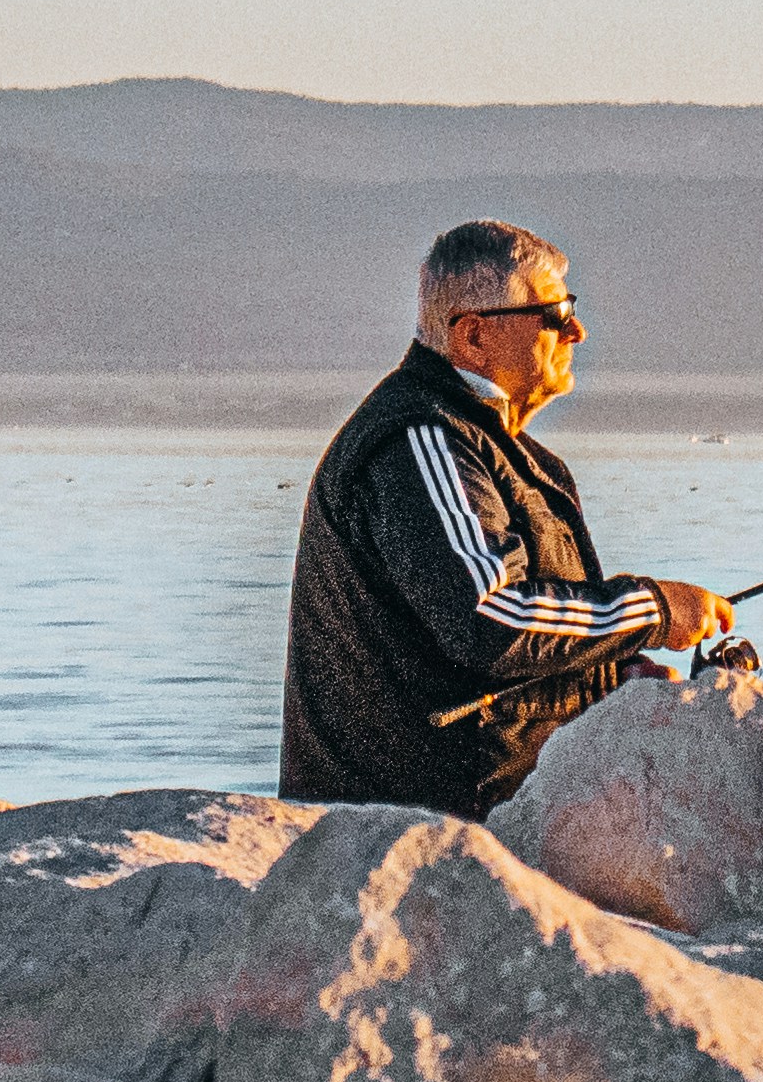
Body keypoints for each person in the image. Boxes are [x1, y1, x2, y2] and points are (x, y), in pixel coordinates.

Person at [279, 220, 737, 813]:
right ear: (473, 337)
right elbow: (492, 619)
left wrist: (609, 683)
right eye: (553, 313)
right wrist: (654, 608)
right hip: (407, 832)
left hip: (485, 814)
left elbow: (502, 654)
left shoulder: (511, 455)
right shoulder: (420, 440)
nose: (576, 330)